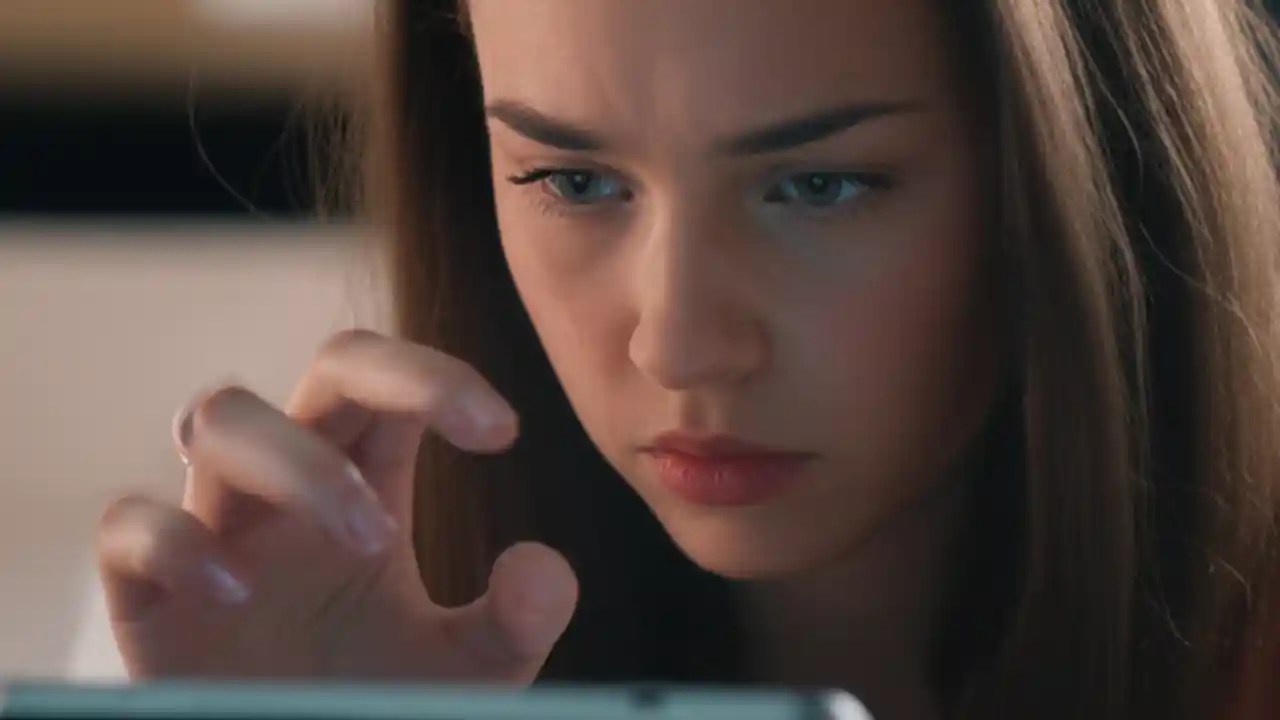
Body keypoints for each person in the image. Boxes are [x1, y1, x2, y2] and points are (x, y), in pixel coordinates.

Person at [94, 0, 1280, 717]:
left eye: (819, 185)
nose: (674, 342)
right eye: (573, 182)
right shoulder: (399, 640)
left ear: (1090, 171)